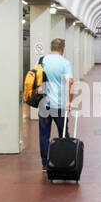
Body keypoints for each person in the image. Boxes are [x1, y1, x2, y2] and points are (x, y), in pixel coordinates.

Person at [37, 38, 72, 171]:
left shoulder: (41, 60)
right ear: (62, 49)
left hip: (43, 104)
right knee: (63, 134)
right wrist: (69, 101)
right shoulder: (65, 63)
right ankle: (65, 161)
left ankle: (45, 164)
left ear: (51, 47)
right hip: (59, 106)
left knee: (44, 135)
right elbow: (70, 82)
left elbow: (37, 79)